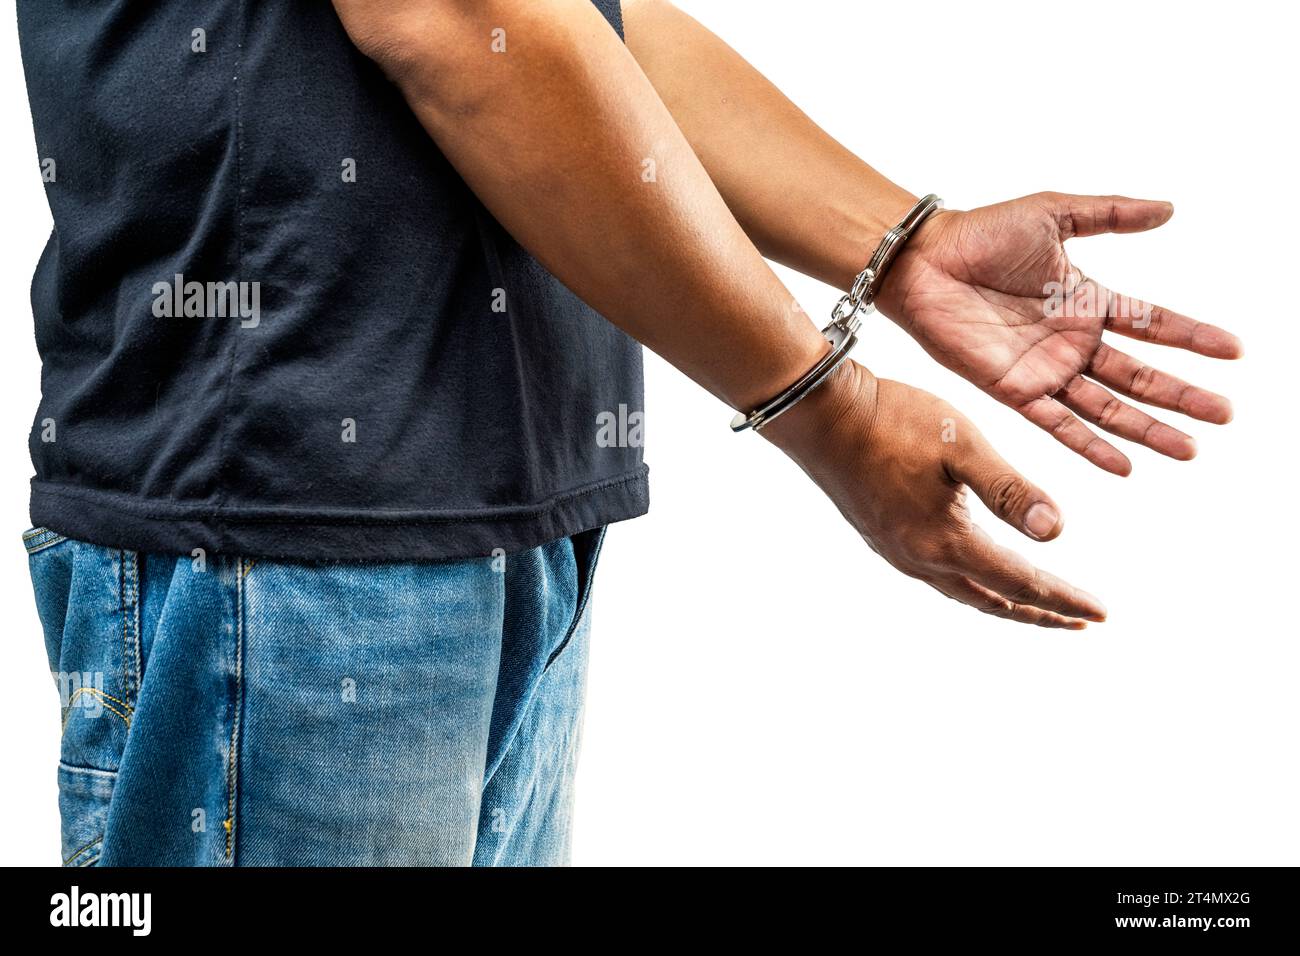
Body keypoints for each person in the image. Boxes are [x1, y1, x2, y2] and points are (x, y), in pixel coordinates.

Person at [16, 0, 1240, 867]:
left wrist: (901, 245)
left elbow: (579, 21)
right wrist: (830, 410)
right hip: (286, 534)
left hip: (473, 520)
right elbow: (450, 14)